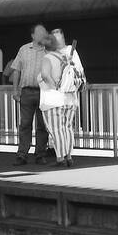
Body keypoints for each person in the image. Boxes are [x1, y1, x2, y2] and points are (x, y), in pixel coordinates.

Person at [6, 22, 51, 165]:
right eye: (40, 32)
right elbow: (17, 70)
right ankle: (22, 154)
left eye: (44, 32)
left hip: (44, 92)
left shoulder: (49, 51)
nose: (43, 35)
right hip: (26, 91)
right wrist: (15, 90)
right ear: (33, 35)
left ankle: (40, 154)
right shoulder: (24, 49)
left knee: (42, 125)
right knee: (25, 124)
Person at [39, 34, 77, 166]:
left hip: (53, 99)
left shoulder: (47, 58)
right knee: (67, 128)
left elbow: (45, 75)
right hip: (70, 98)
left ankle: (60, 158)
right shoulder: (66, 57)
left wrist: (54, 86)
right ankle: (69, 156)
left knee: (56, 129)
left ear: (45, 47)